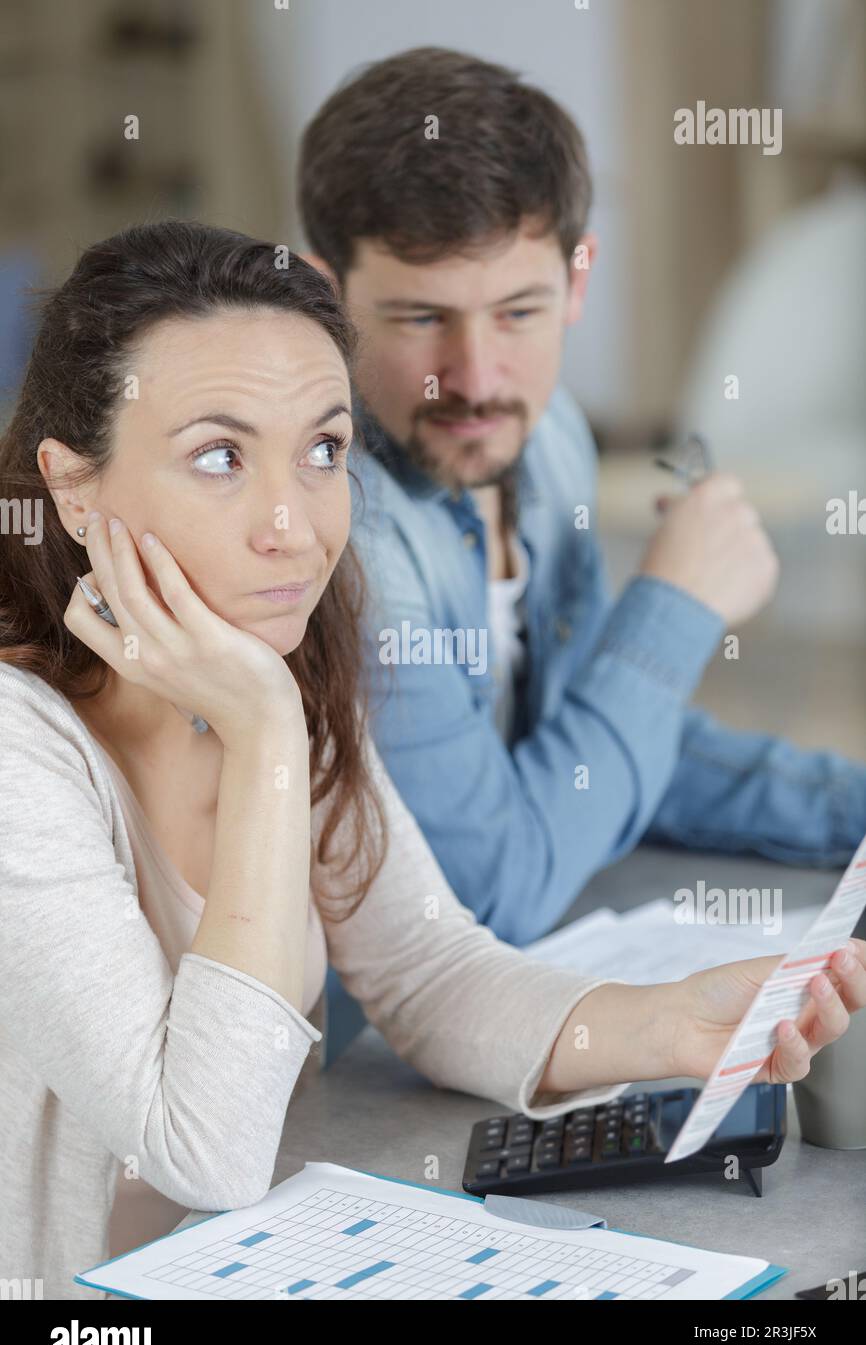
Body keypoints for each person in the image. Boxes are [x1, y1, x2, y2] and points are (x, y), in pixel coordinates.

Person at [1, 221, 862, 1301]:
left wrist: (662, 1021)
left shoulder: (276, 664)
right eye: (219, 456)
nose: (293, 526)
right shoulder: (27, 752)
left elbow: (424, 968)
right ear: (73, 490)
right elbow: (204, 1148)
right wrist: (268, 735)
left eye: (322, 451)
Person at [297, 46, 866, 946]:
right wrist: (674, 610)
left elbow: (609, 746)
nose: (477, 380)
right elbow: (491, 890)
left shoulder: (547, 430)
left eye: (519, 312)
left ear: (577, 280)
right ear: (324, 299)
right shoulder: (335, 533)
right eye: (421, 318)